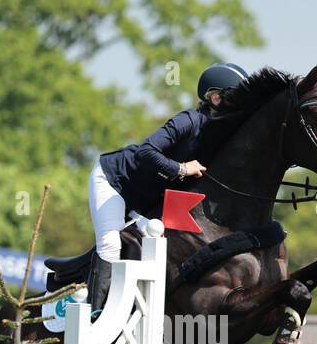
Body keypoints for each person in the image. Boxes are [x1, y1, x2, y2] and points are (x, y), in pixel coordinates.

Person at [88, 62, 248, 309]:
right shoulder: (189, 120)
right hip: (114, 181)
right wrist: (182, 168)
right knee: (110, 243)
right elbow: (146, 151)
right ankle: (94, 314)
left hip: (144, 199)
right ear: (215, 98)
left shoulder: (218, 137)